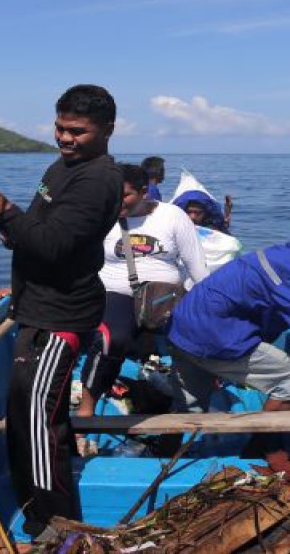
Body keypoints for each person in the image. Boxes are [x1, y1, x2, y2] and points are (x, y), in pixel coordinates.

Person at [0, 85, 123, 540]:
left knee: (38, 423)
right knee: (31, 416)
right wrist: (14, 229)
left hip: (61, 318)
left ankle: (58, 531)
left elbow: (52, 246)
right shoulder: (63, 167)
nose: (65, 138)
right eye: (59, 127)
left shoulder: (97, 180)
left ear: (107, 130)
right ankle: (41, 517)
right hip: (36, 307)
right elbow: (41, 229)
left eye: (78, 131)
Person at [164, 221, 290, 492]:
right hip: (212, 336)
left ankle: (172, 455)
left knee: (192, 404)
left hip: (182, 328)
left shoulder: (284, 254)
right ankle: (270, 449)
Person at [76, 164, 209, 434]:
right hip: (117, 293)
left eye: (124, 195)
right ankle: (87, 405)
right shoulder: (100, 216)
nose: (116, 201)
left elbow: (197, 268)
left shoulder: (172, 216)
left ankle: (192, 403)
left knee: (198, 338)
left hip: (164, 297)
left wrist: (209, 311)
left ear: (144, 192)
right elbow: (71, 259)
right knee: (110, 339)